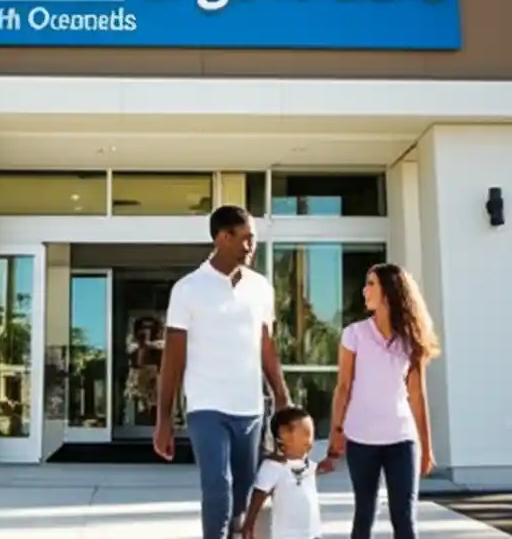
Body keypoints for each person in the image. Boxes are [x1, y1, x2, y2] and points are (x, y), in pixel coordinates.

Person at [154, 204, 291, 539]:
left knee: (244, 493)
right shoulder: (188, 289)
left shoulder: (261, 288)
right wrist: (163, 420)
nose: (250, 246)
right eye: (244, 239)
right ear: (221, 237)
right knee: (217, 483)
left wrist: (282, 396)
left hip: (250, 407)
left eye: (253, 239)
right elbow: (172, 359)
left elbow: (266, 347)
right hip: (205, 405)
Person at [325, 263, 440, 539]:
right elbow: (343, 387)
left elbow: (417, 395)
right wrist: (335, 434)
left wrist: (427, 449)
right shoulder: (354, 334)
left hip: (401, 440)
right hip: (361, 439)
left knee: (404, 518)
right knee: (364, 514)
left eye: (372, 284)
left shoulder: (410, 340)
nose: (365, 290)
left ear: (388, 292)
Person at [241, 406, 330, 539]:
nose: (310, 440)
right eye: (305, 434)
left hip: (313, 534)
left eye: (311, 434)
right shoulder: (273, 467)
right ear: (284, 435)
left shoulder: (308, 463)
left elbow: (329, 458)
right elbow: (258, 497)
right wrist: (249, 526)